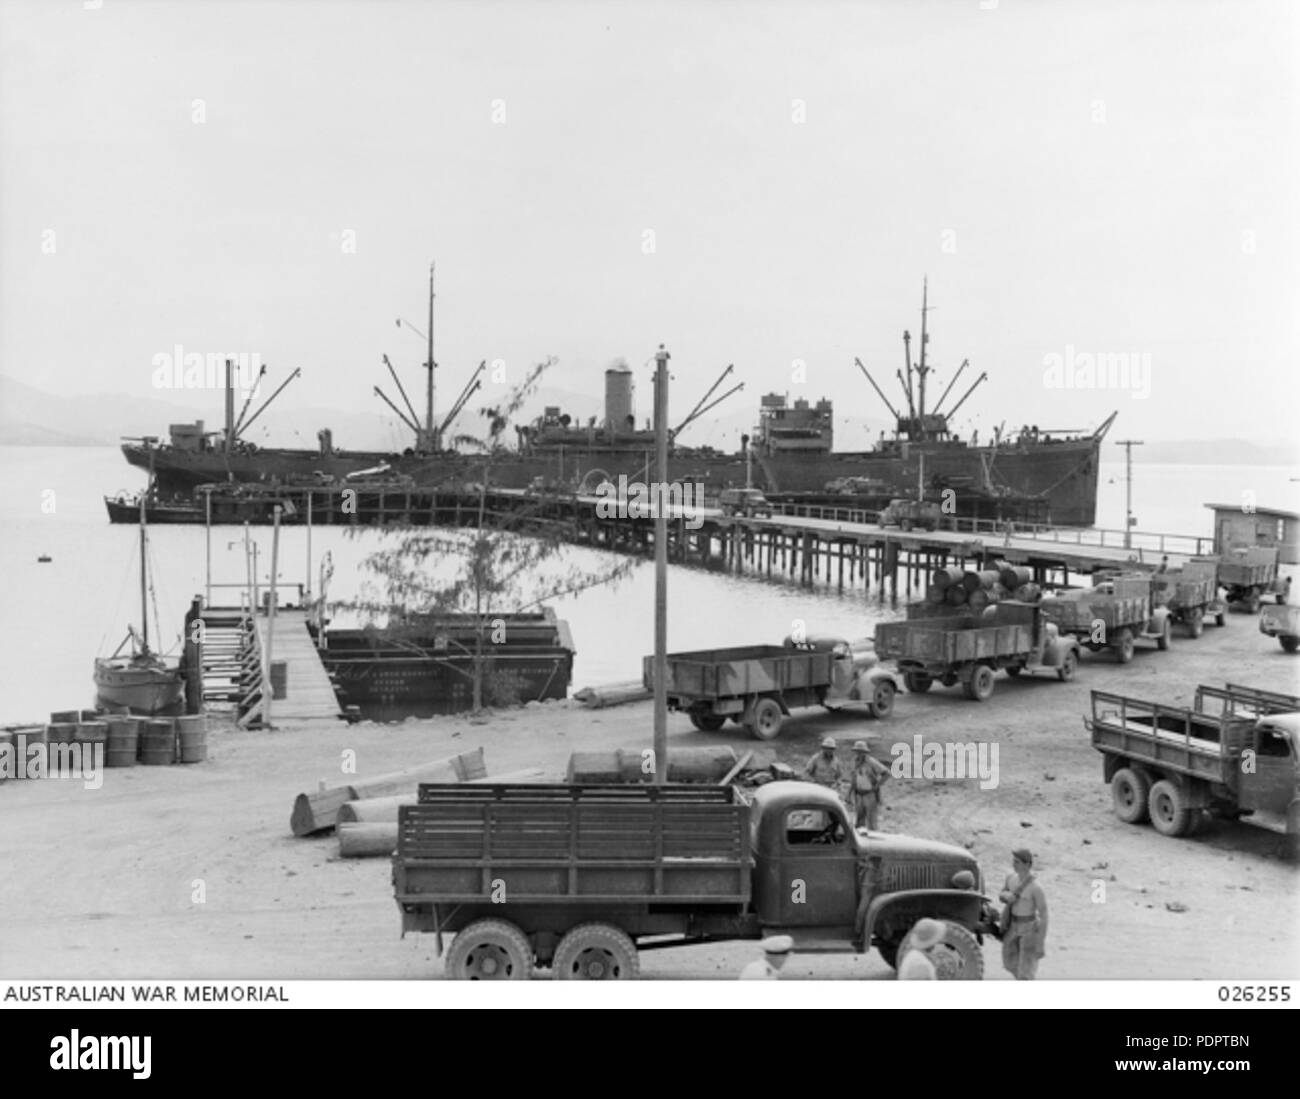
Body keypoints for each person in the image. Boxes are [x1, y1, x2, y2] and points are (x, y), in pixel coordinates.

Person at [999, 848, 1048, 980]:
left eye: (1018, 862)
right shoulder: (1011, 878)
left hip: (1029, 929)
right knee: (1009, 962)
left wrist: (1040, 942)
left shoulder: (1036, 887)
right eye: (1014, 861)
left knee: (1026, 970)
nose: (1014, 865)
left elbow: (1044, 915)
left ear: (1027, 865)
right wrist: (1006, 896)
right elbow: (1002, 894)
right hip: (1013, 926)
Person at [849, 739, 890, 830]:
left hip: (870, 795)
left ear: (865, 752)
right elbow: (854, 779)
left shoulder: (871, 762)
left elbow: (887, 774)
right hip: (859, 794)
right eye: (857, 751)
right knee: (859, 822)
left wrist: (877, 786)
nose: (859, 753)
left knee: (871, 821)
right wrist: (849, 794)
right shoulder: (854, 762)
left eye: (861, 752)